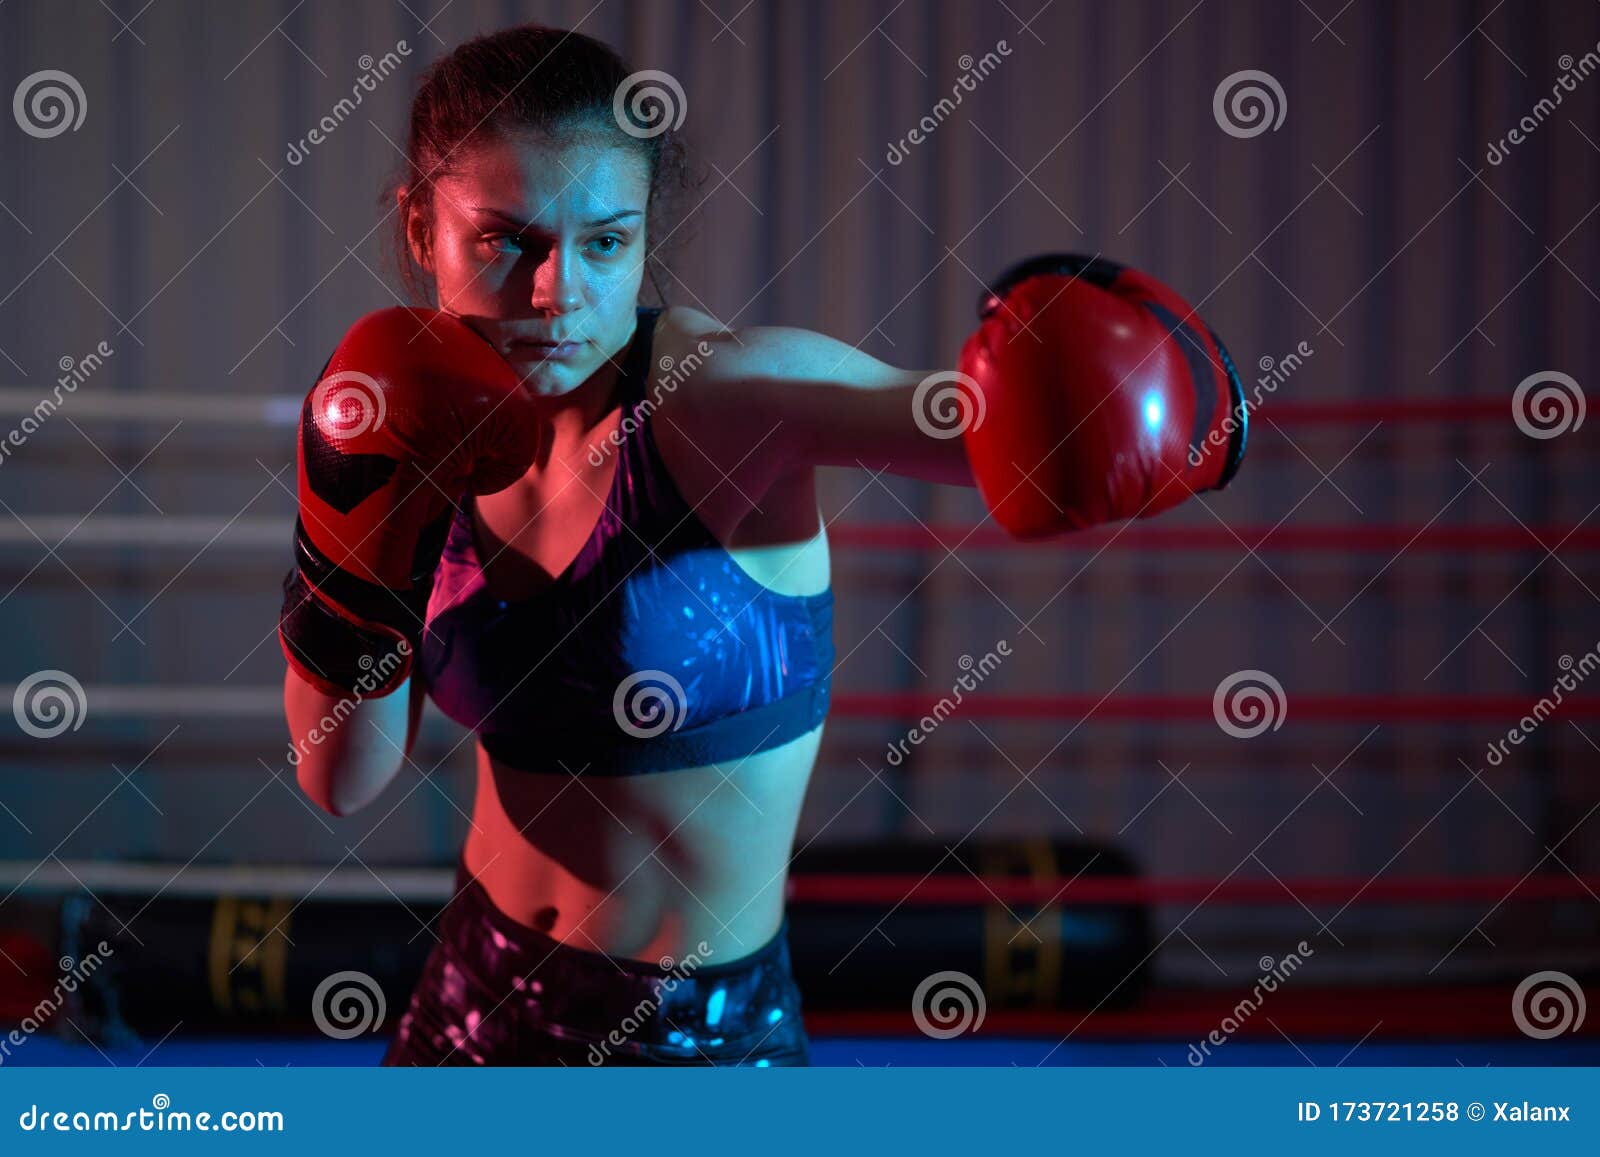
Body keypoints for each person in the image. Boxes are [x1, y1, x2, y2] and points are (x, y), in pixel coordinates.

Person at [278, 24, 1244, 1067]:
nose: (559, 294)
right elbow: (341, 778)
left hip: (699, 1042)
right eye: (505, 241)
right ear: (422, 227)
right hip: (468, 1002)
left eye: (605, 241)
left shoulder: (722, 403)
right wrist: (350, 529)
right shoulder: (415, 423)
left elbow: (966, 423)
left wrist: (1126, 398)